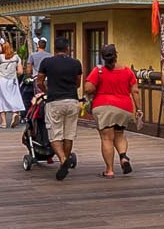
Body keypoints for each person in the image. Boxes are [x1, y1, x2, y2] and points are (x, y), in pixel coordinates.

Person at [85, 44, 139, 177]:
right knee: (119, 134)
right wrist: (139, 109)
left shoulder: (98, 71)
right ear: (116, 55)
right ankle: (123, 157)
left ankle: (109, 170)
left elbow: (88, 89)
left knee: (107, 138)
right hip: (123, 107)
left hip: (103, 107)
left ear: (103, 57)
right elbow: (135, 91)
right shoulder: (127, 71)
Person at [38, 41, 83, 179]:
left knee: (55, 134)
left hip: (54, 101)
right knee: (68, 135)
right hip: (72, 101)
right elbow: (78, 83)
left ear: (54, 49)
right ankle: (65, 158)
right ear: (68, 48)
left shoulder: (47, 62)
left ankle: (63, 160)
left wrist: (46, 91)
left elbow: (39, 81)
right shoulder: (76, 63)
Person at [0, 40, 25, 126]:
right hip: (12, 81)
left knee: (0, 99)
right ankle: (14, 113)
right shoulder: (16, 57)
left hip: (0, 80)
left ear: (2, 47)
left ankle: (3, 122)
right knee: (13, 97)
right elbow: (20, 71)